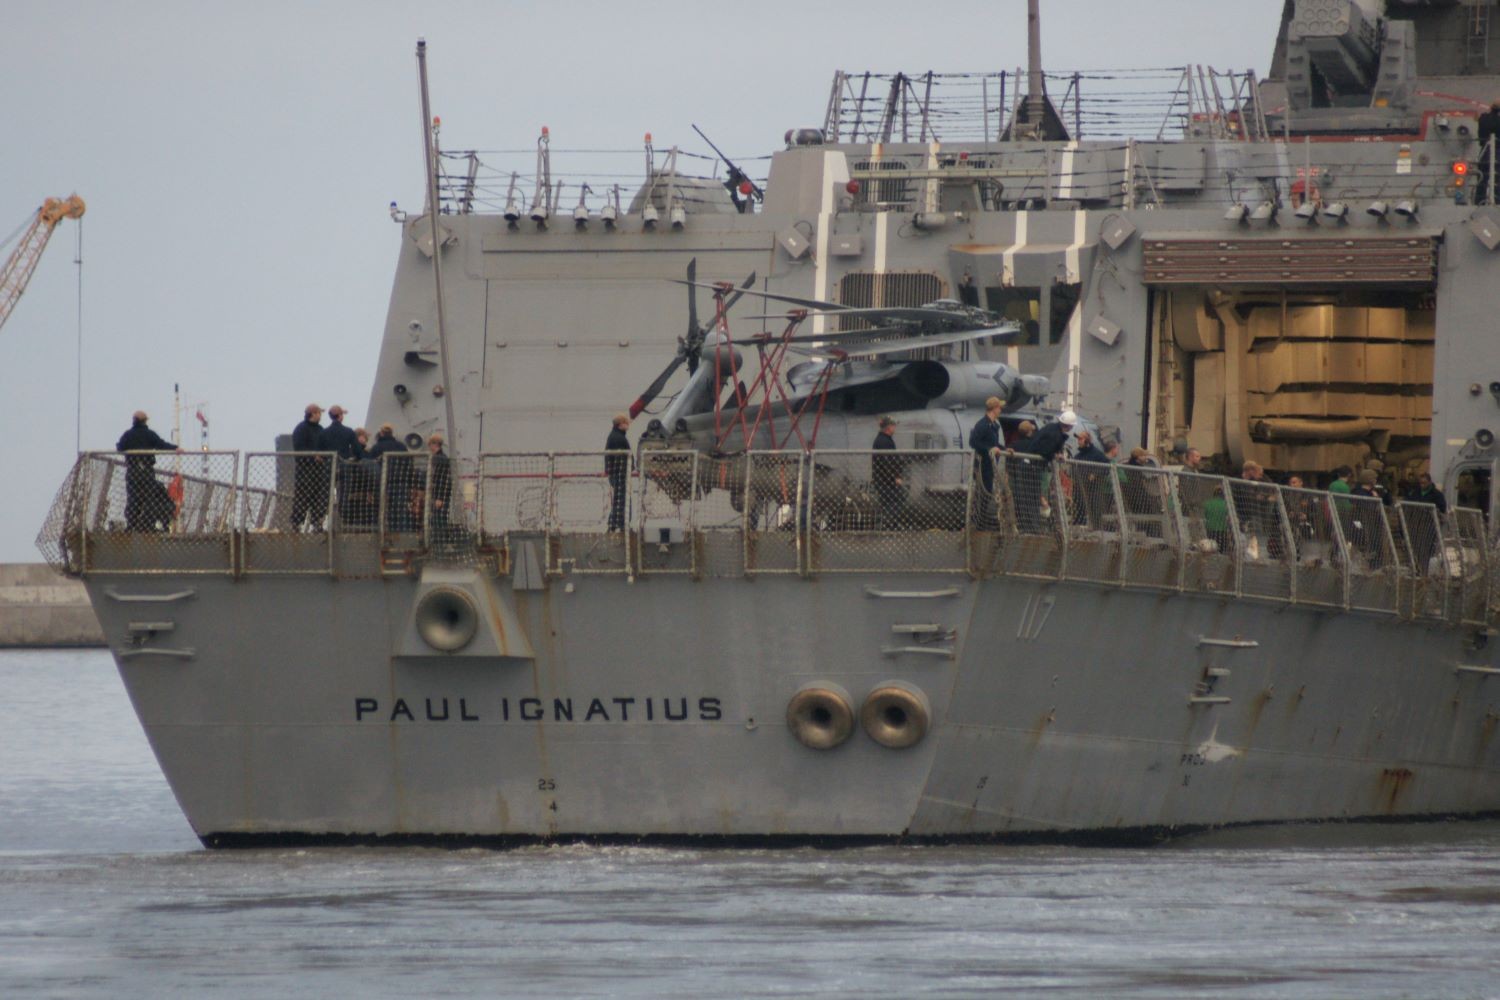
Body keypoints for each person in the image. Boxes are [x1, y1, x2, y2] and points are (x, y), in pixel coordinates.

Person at [116, 411, 176, 531]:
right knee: (149, 498)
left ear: (133, 420)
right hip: (147, 472)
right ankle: (148, 525)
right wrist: (175, 448)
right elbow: (161, 444)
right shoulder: (149, 434)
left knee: (133, 498)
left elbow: (120, 447)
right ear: (145, 421)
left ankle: (131, 525)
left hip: (133, 471)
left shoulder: (128, 435)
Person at [290, 403, 328, 531]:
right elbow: (299, 448)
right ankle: (296, 524)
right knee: (302, 496)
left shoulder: (320, 429)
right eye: (319, 413)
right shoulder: (301, 429)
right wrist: (313, 456)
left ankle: (317, 523)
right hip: (305, 470)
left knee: (319, 497)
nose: (320, 416)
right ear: (313, 414)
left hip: (319, 470)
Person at [366, 423, 409, 530]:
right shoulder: (401, 446)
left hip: (382, 483)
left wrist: (370, 487)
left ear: (381, 433)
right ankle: (400, 534)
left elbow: (371, 467)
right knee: (399, 511)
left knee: (382, 509)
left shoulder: (376, 448)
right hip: (400, 482)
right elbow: (408, 464)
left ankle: (383, 533)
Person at [871, 416, 905, 528]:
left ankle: (886, 525)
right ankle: (885, 524)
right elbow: (886, 463)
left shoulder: (884, 439)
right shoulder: (884, 441)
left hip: (883, 479)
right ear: (888, 427)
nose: (894, 428)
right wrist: (895, 477)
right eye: (893, 426)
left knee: (887, 503)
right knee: (897, 500)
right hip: (885, 480)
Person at [605, 413, 631, 532]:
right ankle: (620, 524)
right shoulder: (619, 438)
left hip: (615, 473)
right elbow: (622, 457)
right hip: (619, 473)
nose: (628, 425)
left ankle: (614, 523)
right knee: (621, 499)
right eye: (626, 423)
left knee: (618, 499)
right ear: (620, 425)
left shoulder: (614, 436)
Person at [427, 433, 453, 535]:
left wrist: (439, 497)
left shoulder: (440, 459)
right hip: (438, 494)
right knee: (437, 519)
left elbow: (442, 479)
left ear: (434, 444)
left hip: (439, 496)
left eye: (430, 444)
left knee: (439, 520)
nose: (429, 447)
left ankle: (440, 541)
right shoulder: (441, 458)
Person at [1479, 101, 1500, 205]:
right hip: (1497, 153)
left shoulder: (1483, 118)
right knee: (1497, 180)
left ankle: (1478, 200)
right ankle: (1497, 201)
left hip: (1484, 152)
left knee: (1482, 179)